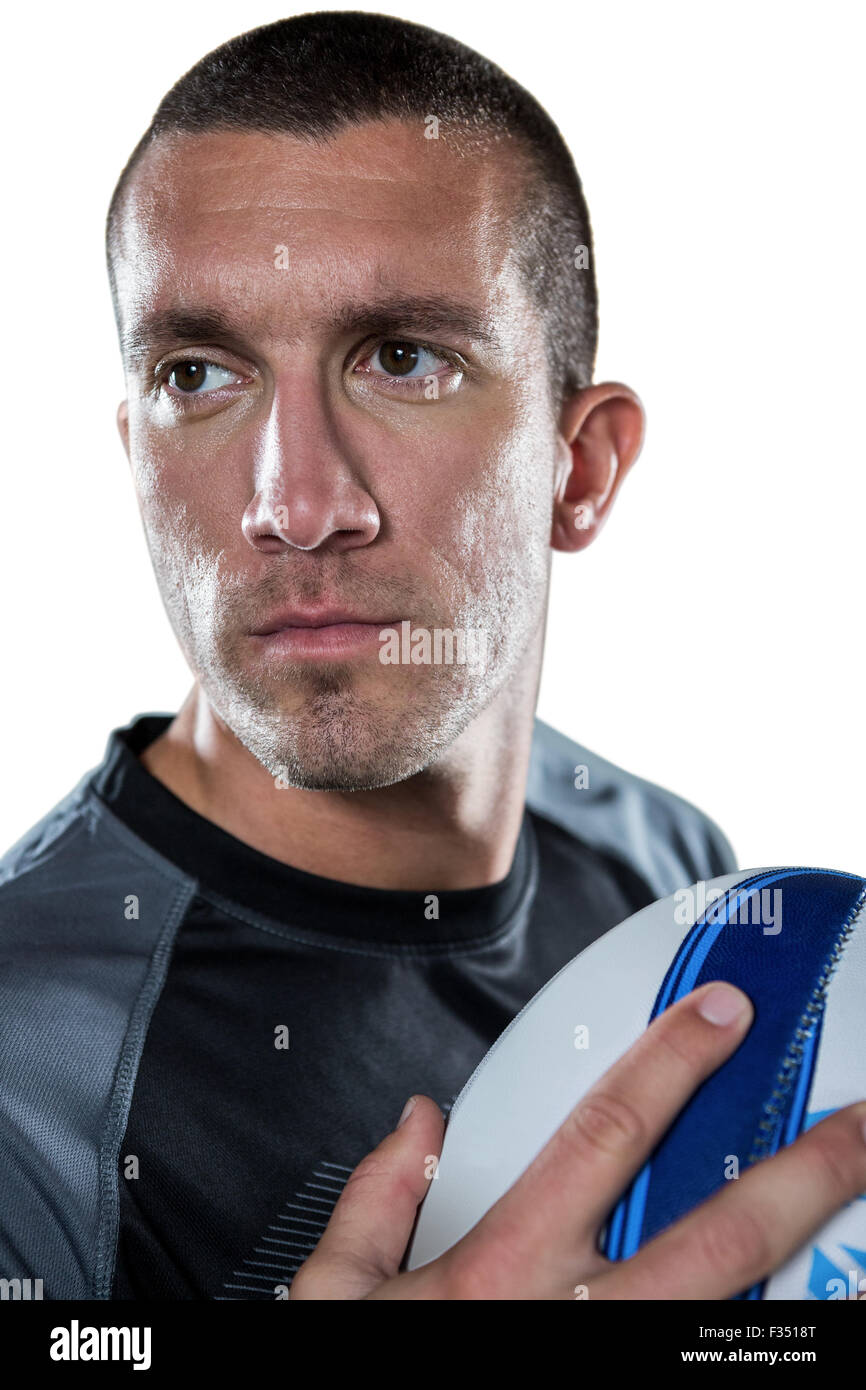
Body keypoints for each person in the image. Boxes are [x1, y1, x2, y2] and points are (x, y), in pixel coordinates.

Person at [1, 12, 864, 1302]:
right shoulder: (28, 1076)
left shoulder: (666, 870)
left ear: (581, 470)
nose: (296, 506)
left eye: (402, 359)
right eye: (199, 374)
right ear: (133, 447)